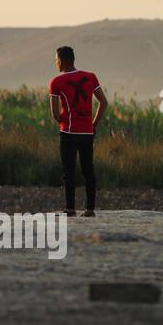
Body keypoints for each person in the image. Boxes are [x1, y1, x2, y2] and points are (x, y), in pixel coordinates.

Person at [48, 46, 107, 217]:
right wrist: (93, 123)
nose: (55, 62)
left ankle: (70, 208)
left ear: (63, 60)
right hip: (87, 133)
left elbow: (54, 113)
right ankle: (90, 209)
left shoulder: (56, 82)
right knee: (88, 170)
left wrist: (63, 121)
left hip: (69, 132)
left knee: (69, 171)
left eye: (56, 59)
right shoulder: (90, 77)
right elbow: (104, 102)